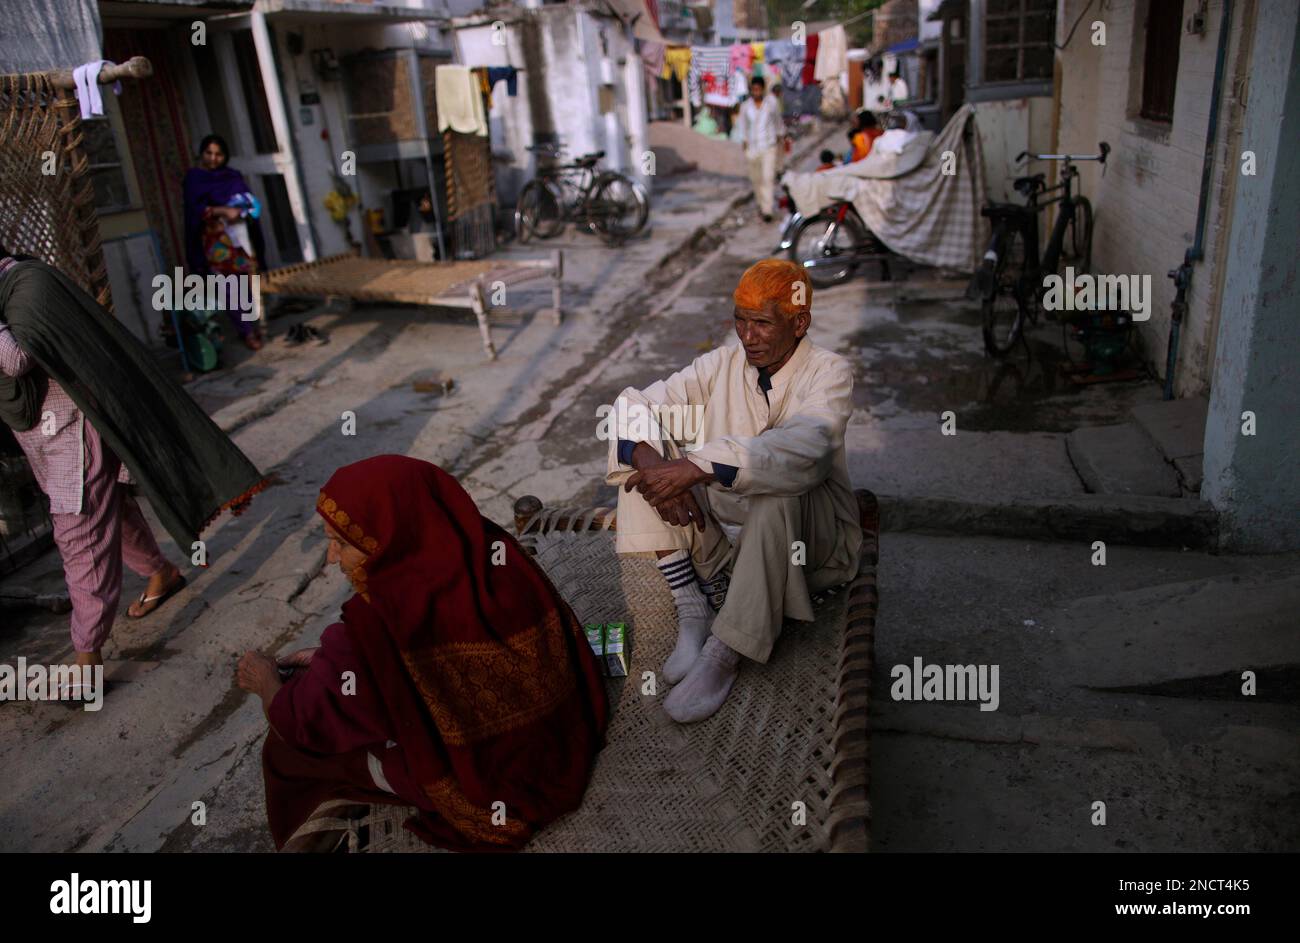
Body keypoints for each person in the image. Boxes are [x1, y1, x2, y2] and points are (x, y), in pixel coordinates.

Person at [237, 456, 608, 852]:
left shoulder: (378, 623)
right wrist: (333, 658)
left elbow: (305, 723)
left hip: (489, 792)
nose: (331, 558)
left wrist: (266, 683)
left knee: (286, 750)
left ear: (387, 537)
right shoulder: (492, 547)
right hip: (565, 743)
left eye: (342, 543)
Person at [604, 259, 862, 723]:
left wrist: (697, 468)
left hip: (808, 547)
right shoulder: (722, 363)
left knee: (777, 490)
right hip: (727, 534)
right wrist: (657, 466)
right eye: (740, 321)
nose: (747, 336)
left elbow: (805, 451)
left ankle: (726, 648)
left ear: (799, 322)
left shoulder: (830, 372)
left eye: (762, 323)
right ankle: (694, 607)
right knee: (638, 463)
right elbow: (632, 403)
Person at [0, 246, 266, 685]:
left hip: (72, 427)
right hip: (46, 435)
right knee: (113, 509)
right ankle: (161, 574)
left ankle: (87, 658)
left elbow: (15, 360)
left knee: (78, 531)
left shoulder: (30, 284)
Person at [183, 134, 268, 351]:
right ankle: (246, 331)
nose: (213, 158)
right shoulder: (195, 179)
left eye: (218, 154)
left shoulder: (233, 177)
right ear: (201, 154)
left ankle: (254, 325)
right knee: (229, 287)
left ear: (225, 156)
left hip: (240, 237)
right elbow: (194, 210)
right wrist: (221, 210)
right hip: (217, 241)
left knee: (247, 283)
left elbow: (249, 202)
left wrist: (244, 210)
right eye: (209, 153)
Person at [735, 77, 783, 222]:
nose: (756, 92)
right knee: (756, 180)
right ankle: (761, 205)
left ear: (763, 89)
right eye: (753, 89)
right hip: (752, 148)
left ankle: (767, 210)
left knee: (768, 178)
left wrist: (780, 136)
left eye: (758, 89)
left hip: (769, 146)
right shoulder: (745, 107)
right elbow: (742, 126)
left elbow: (777, 121)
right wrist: (744, 141)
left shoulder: (771, 104)